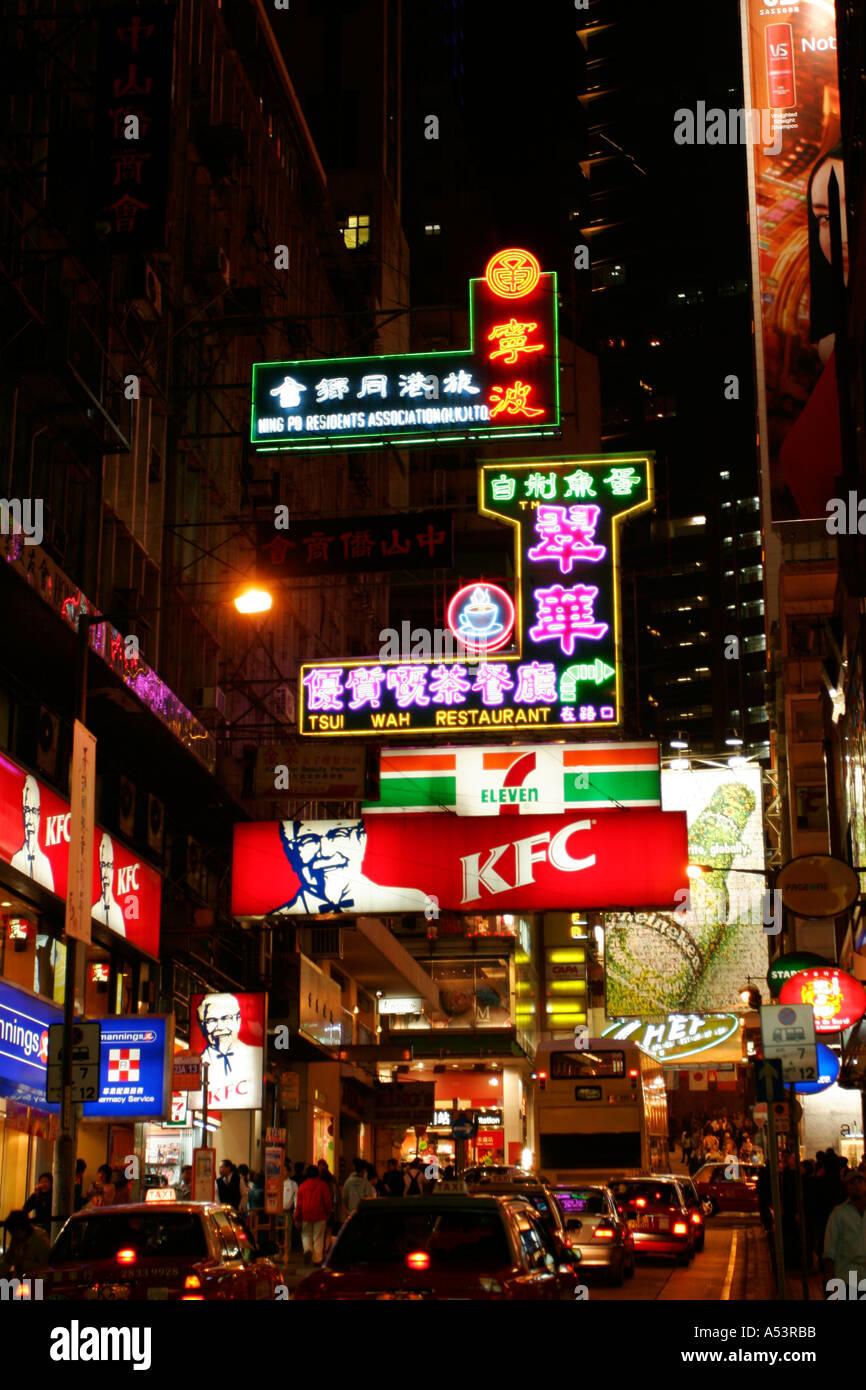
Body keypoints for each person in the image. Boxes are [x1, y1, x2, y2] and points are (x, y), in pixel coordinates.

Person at [274, 818, 430, 915]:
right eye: (308, 840)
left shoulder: (414, 901)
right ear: (290, 853)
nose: (326, 852)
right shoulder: (279, 914)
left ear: (361, 841)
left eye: (338, 835)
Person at [195, 993, 262, 1109]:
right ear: (202, 1025)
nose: (220, 1027)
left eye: (226, 1018)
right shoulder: (196, 1066)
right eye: (212, 1020)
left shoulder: (256, 1056)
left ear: (238, 1020)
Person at [823, 1168, 866, 1294]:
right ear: (847, 1187)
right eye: (852, 1183)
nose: (857, 1186)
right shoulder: (839, 1213)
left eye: (860, 1182)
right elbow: (830, 1248)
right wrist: (830, 1276)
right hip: (846, 1275)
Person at [11, 774, 54, 890]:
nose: (30, 819)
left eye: (34, 811)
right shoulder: (16, 859)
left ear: (39, 817)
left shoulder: (45, 864)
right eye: (27, 810)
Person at [294, 1164, 334, 1267]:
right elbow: (327, 1201)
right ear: (317, 1174)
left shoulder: (302, 1186)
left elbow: (298, 1204)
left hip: (306, 1215)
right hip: (320, 1215)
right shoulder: (323, 1185)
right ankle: (317, 1259)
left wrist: (297, 1217)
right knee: (318, 1237)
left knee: (306, 1235)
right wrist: (328, 1211)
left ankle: (307, 1249)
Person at [92, 831, 126, 934]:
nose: (106, 874)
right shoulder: (94, 911)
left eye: (109, 866)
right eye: (103, 865)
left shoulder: (118, 912)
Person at [0, 1210, 50, 1278]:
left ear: (22, 1228)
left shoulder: (40, 1240)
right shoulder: (17, 1238)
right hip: (20, 1281)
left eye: (14, 1232)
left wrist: (22, 1264)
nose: (13, 1235)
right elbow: (7, 1260)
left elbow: (44, 1265)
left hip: (35, 1283)